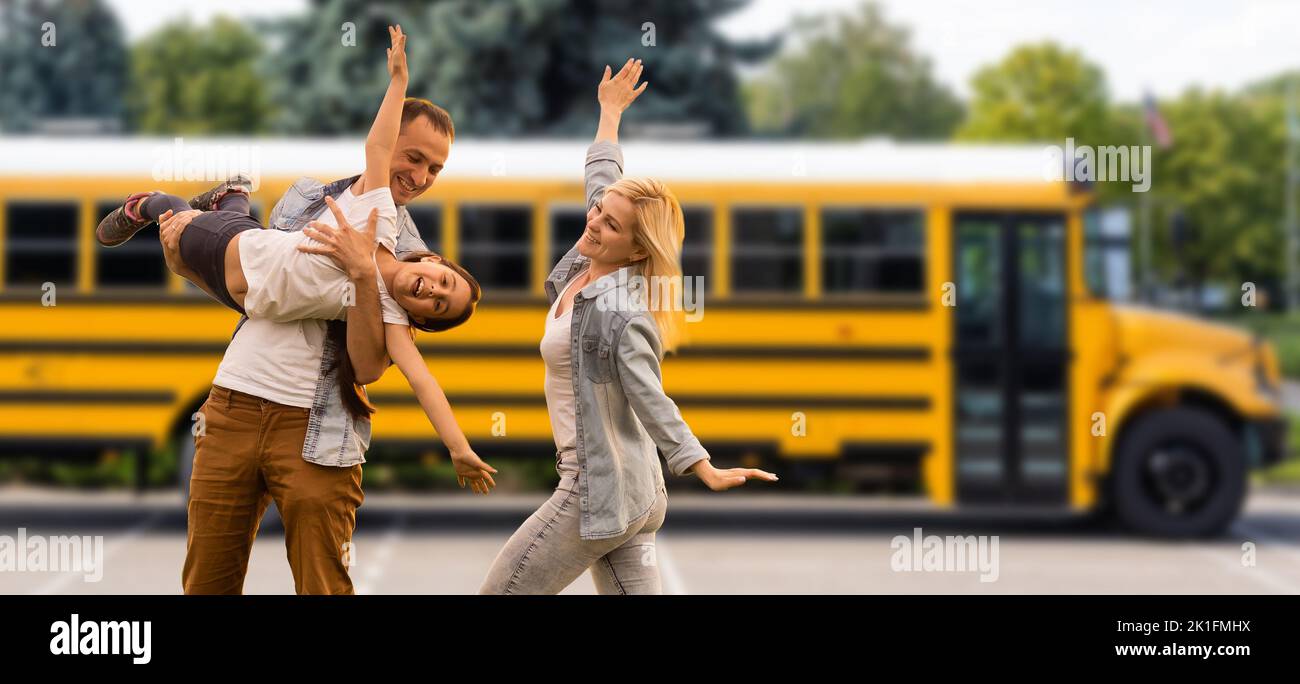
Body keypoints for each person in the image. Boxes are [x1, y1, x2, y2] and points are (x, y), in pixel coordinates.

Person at [103, 26, 492, 594]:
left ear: (425, 320)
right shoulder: (358, 205)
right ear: (433, 259)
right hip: (234, 384)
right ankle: (170, 203)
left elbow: (387, 371)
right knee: (206, 578)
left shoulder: (392, 292)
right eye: (416, 158)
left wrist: (459, 448)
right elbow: (376, 150)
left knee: (323, 582)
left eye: (436, 170)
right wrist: (398, 81)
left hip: (310, 423)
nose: (422, 176)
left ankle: (210, 201)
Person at [479, 60, 778, 595]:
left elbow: (649, 393)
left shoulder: (622, 310)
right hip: (630, 489)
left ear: (638, 248)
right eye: (597, 212)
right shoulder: (586, 261)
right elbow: (602, 181)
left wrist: (700, 464)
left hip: (595, 490)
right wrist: (609, 114)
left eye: (610, 224)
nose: (593, 222)